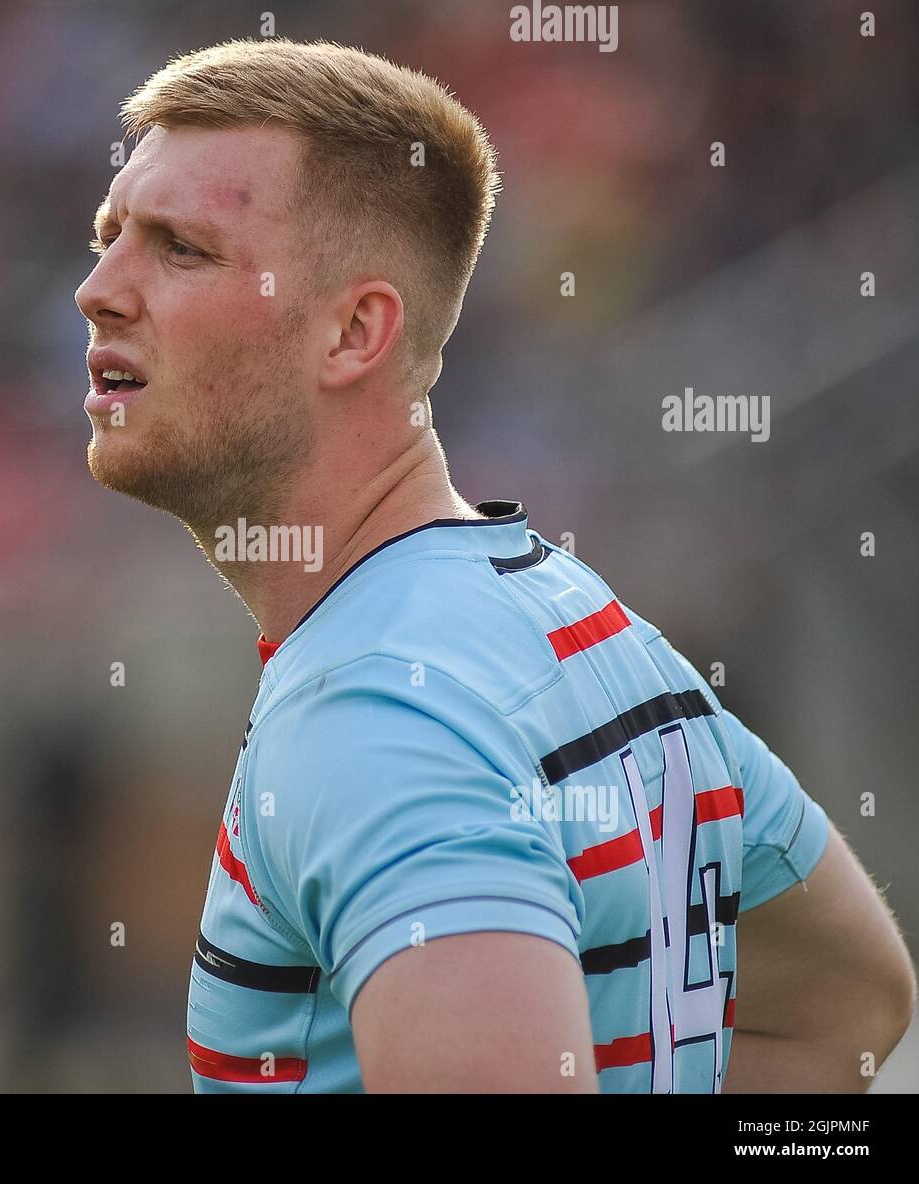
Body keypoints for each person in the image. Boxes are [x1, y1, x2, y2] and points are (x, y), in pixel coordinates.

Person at [73, 38, 915, 1093]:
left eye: (180, 248)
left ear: (353, 331)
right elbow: (844, 1008)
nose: (98, 289)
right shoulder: (588, 624)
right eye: (108, 236)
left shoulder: (377, 714)